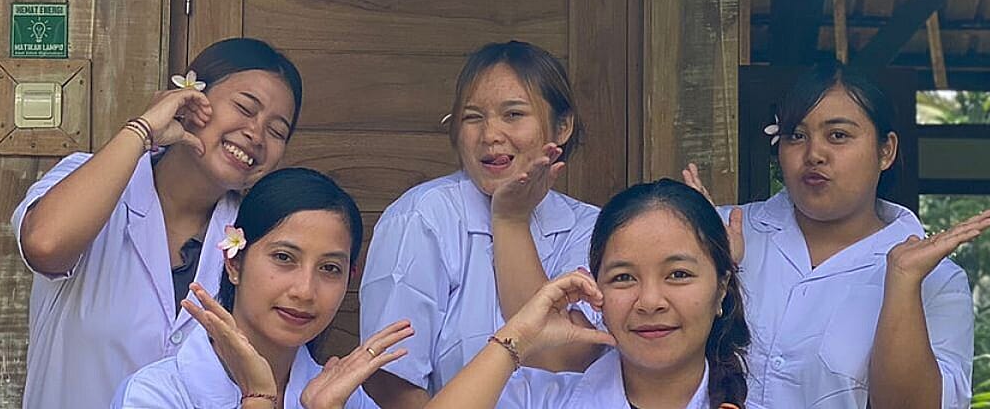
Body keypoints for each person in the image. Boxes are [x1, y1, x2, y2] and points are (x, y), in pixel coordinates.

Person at [685, 59, 990, 409]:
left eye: (838, 135)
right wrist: (703, 264)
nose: (814, 154)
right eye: (796, 136)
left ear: (886, 150)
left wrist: (903, 283)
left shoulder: (936, 281)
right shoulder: (720, 232)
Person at [12, 37, 303, 409]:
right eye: (245, 108)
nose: (256, 134)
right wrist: (143, 130)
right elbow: (45, 245)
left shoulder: (254, 237)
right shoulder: (88, 180)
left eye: (277, 131)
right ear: (190, 97)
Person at [359, 40, 602, 408]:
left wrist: (511, 220)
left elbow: (560, 357)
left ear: (563, 126)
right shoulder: (423, 215)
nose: (490, 135)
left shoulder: (591, 226)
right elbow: (388, 374)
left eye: (513, 114)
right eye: (473, 117)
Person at [425, 178, 749, 409]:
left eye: (678, 274)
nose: (650, 301)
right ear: (595, 291)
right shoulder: (536, 400)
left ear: (721, 288)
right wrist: (519, 336)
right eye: (623, 277)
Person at [113, 168, 413, 409]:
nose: (305, 291)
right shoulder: (156, 394)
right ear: (234, 264)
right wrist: (258, 398)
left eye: (329, 268)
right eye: (284, 258)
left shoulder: (345, 398)